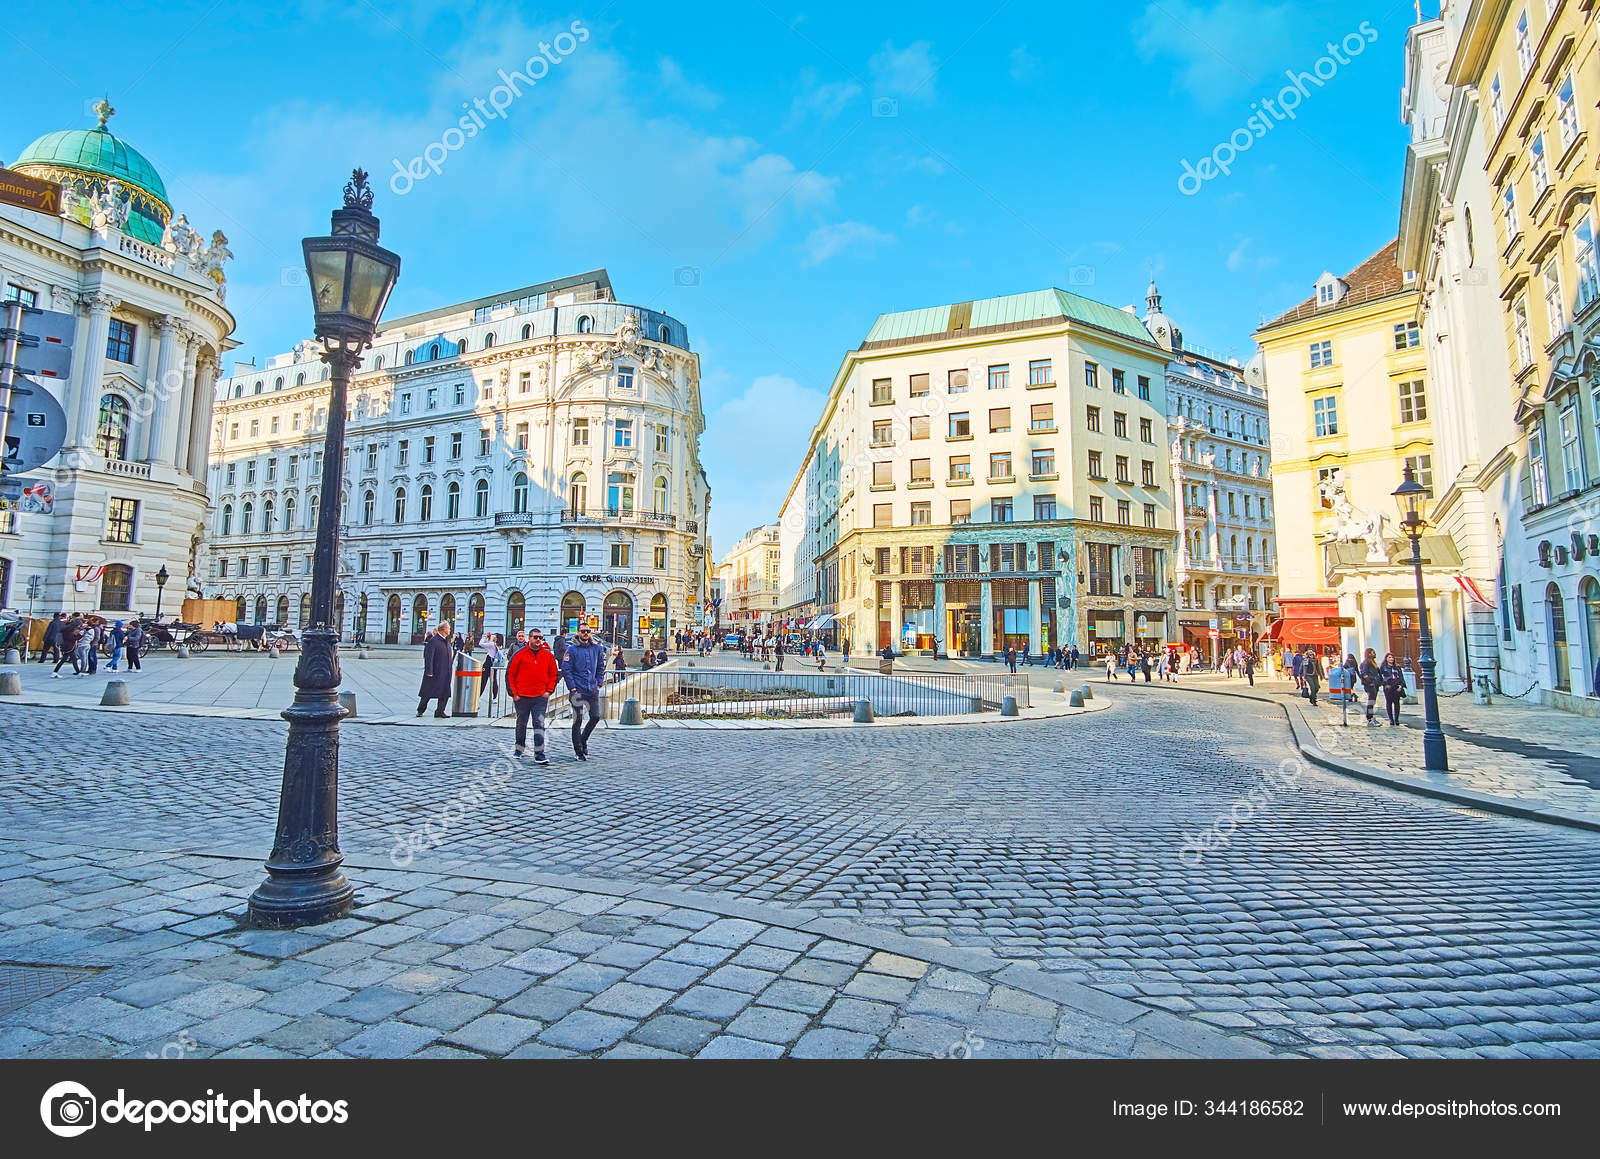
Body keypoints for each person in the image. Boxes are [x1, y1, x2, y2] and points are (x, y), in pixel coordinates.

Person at [506, 627, 559, 763]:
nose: (538, 640)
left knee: (539, 724)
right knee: (521, 723)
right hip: (522, 696)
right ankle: (519, 749)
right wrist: (513, 693)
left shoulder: (547, 655)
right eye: (535, 637)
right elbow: (510, 674)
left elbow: (554, 674)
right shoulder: (519, 655)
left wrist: (549, 690)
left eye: (540, 638)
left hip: (540, 697)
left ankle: (539, 753)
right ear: (529, 638)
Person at [562, 624, 607, 760]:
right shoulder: (572, 649)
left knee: (595, 716)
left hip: (592, 689)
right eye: (583, 631)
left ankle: (583, 739)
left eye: (588, 631)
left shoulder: (597, 648)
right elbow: (566, 669)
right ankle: (579, 751)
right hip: (577, 690)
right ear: (578, 633)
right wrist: (573, 688)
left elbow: (600, 667)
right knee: (578, 720)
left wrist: (599, 684)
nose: (586, 633)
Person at [417, 621, 454, 717]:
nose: (450, 630)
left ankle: (440, 711)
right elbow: (429, 657)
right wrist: (429, 671)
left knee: (445, 692)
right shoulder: (434, 641)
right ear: (444, 629)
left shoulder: (446, 640)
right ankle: (420, 710)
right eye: (448, 628)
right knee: (427, 692)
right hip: (435, 672)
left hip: (446, 671)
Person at [1379, 652, 1406, 725]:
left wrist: (1401, 686)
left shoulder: (1397, 667)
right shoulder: (1383, 667)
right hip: (1388, 687)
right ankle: (1391, 719)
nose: (1391, 659)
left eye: (1392, 657)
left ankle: (1396, 719)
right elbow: (1380, 677)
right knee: (1389, 703)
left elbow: (1401, 677)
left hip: (1396, 686)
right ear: (1386, 659)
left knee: (1397, 703)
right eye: (1389, 657)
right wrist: (1384, 684)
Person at [1357, 648, 1382, 725]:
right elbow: (1364, 674)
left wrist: (1380, 681)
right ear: (1369, 654)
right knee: (1371, 702)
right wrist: (1370, 682)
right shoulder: (1366, 663)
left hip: (1375, 684)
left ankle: (1371, 717)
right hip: (1370, 685)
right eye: (1372, 652)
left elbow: (1377, 673)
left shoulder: (1373, 663)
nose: (1374, 654)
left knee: (1372, 701)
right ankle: (1369, 718)